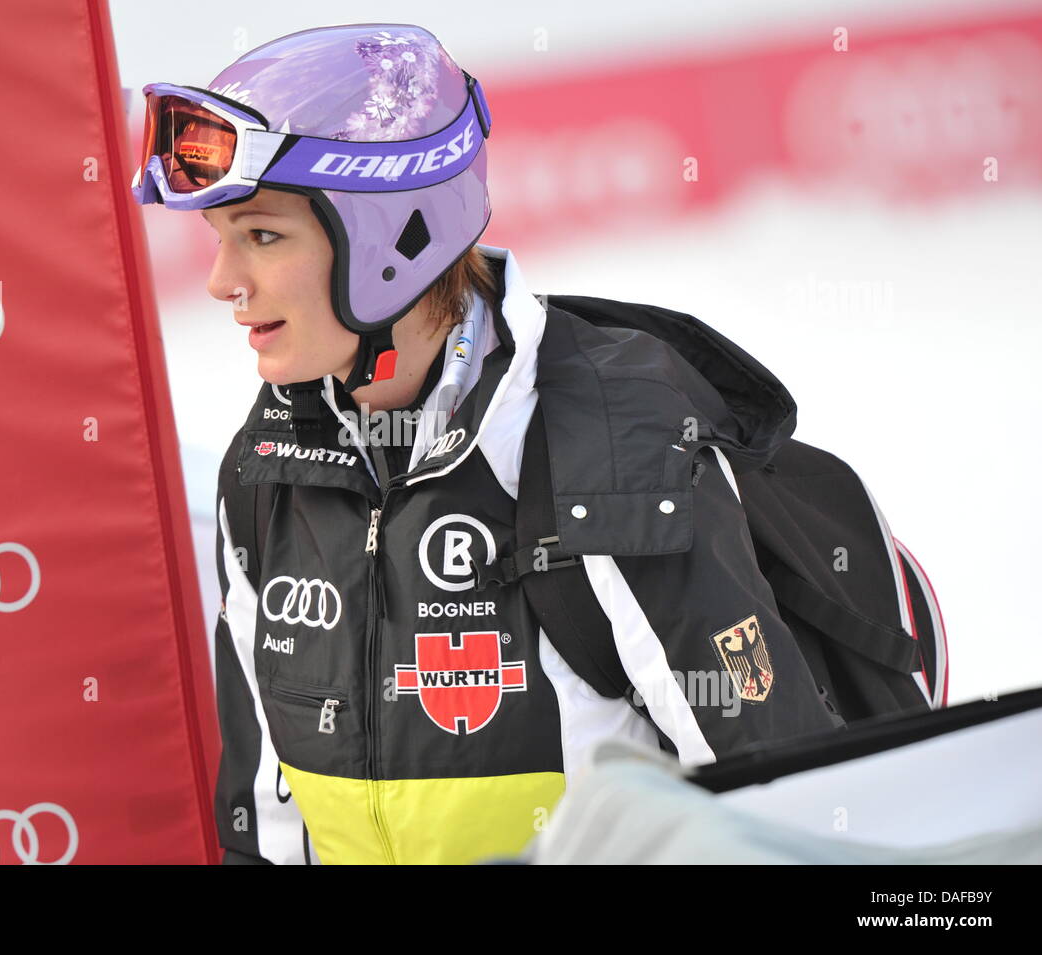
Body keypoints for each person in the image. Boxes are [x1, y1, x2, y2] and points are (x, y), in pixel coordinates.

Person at [132, 23, 841, 865]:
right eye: (220, 240)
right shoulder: (267, 466)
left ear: (391, 236)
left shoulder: (609, 450)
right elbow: (267, 826)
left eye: (262, 235)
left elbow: (782, 812)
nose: (222, 282)